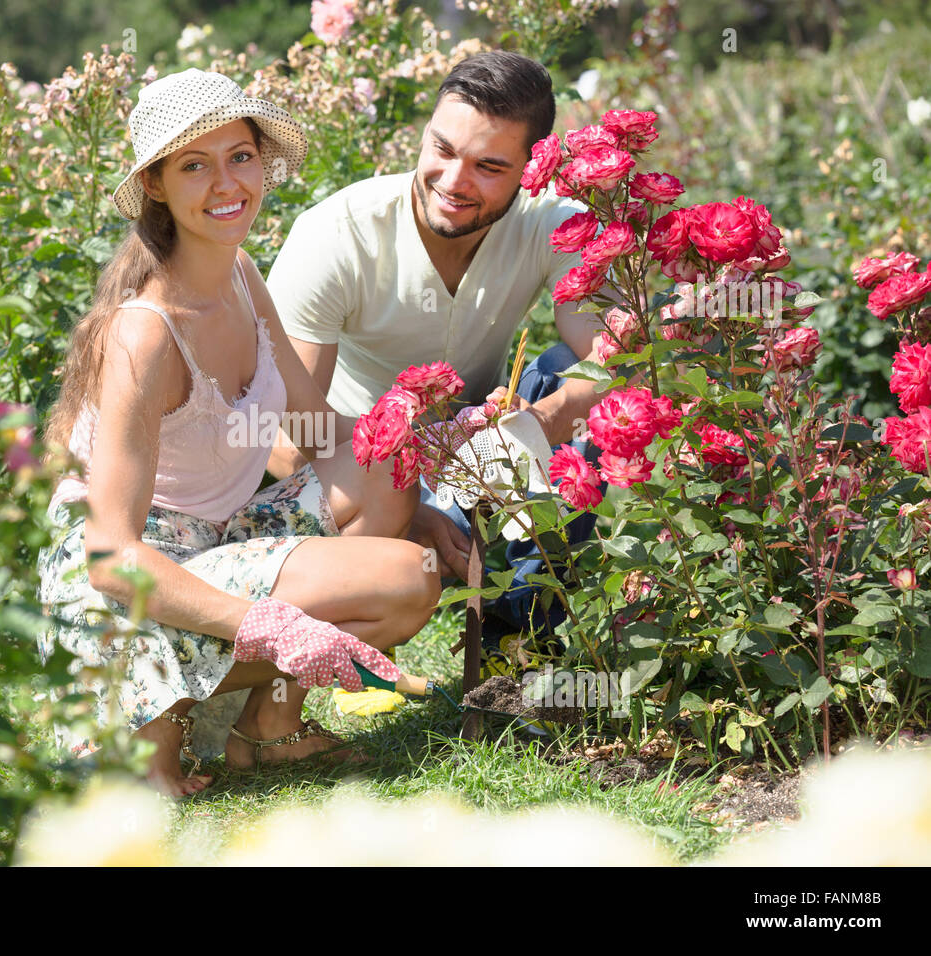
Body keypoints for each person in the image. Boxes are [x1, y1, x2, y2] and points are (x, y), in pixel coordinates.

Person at [37, 69, 440, 797]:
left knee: (390, 462)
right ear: (156, 184)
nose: (227, 184)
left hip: (216, 540)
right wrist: (274, 627)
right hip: (127, 590)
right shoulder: (144, 335)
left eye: (241, 157)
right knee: (405, 582)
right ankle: (144, 709)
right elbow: (108, 558)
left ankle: (266, 724)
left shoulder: (242, 276)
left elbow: (316, 428)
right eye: (195, 165)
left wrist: (428, 435)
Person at [266, 50, 607, 641]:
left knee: (569, 378)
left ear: (530, 171)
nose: (453, 182)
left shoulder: (551, 222)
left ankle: (520, 645)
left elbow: (617, 358)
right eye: (443, 150)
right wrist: (405, 505)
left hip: (480, 457)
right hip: (360, 481)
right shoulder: (337, 234)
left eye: (489, 166)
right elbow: (284, 439)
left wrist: (545, 419)